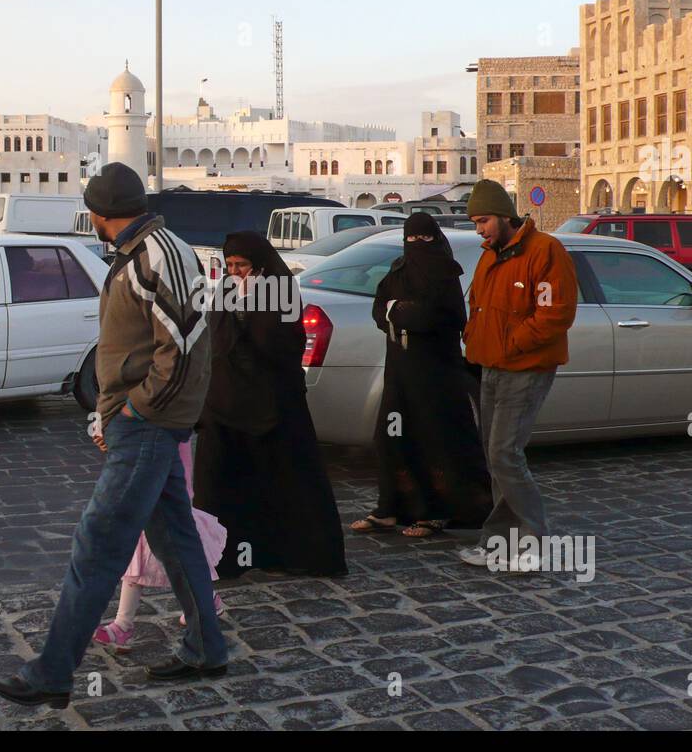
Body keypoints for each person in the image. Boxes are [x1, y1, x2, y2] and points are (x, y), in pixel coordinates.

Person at [0, 162, 226, 710]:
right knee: (174, 538)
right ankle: (205, 645)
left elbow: (182, 345)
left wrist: (139, 410)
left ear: (99, 213)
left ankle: (52, 672)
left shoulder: (156, 254)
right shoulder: (147, 250)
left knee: (98, 544)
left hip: (146, 425)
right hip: (144, 422)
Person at [193, 230, 347, 578]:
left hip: (273, 403)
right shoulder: (228, 290)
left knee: (284, 481)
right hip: (226, 404)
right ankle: (224, 557)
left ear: (259, 264)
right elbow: (215, 340)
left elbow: (280, 346)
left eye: (242, 265)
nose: (236, 272)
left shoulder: (281, 290)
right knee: (221, 482)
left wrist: (250, 312)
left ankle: (287, 555)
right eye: (230, 265)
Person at [457, 180, 577, 571]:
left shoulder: (546, 251)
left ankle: (535, 543)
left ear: (506, 216)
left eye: (485, 220)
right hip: (491, 366)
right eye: (476, 222)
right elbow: (479, 308)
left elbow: (554, 313)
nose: (480, 229)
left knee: (505, 454)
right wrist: (475, 344)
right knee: (496, 458)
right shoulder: (490, 255)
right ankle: (499, 544)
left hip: (526, 367)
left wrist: (511, 345)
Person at [352, 212, 492, 538]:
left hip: (435, 376)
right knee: (390, 439)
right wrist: (398, 310)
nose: (417, 245)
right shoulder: (399, 269)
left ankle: (435, 512)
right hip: (399, 372)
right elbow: (379, 308)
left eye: (424, 238)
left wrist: (397, 310)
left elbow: (436, 317)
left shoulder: (445, 273)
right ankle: (389, 509)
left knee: (434, 442)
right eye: (412, 239)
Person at [93, 439, 227, 652]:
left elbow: (181, 472)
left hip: (165, 505)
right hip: (141, 503)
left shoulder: (170, 428)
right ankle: (123, 625)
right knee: (135, 564)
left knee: (185, 564)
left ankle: (208, 601)